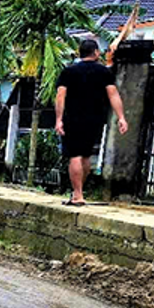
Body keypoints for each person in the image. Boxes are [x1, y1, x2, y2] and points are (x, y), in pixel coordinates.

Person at [55, 39, 128, 206]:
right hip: (94, 118)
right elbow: (113, 95)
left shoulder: (69, 72)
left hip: (72, 117)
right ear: (95, 52)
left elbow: (60, 96)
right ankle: (79, 191)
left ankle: (78, 194)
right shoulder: (103, 72)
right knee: (86, 155)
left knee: (75, 155)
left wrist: (59, 119)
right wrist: (121, 117)